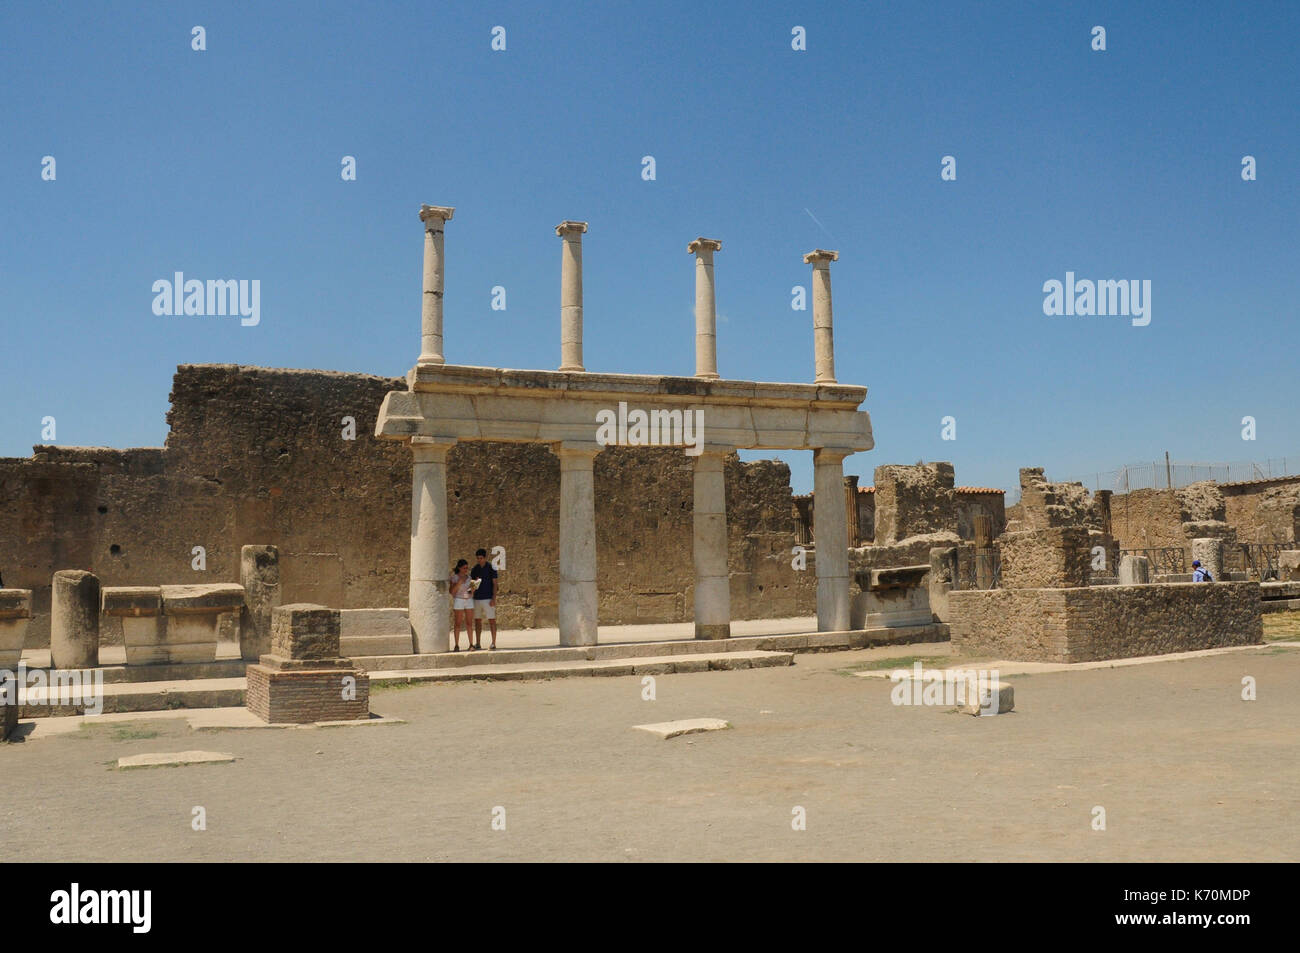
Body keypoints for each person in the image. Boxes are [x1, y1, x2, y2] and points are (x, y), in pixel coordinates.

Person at [470, 548, 499, 650]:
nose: (479, 560)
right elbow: (473, 586)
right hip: (477, 599)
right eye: (478, 558)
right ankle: (478, 643)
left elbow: (495, 584)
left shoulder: (492, 567)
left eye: (481, 558)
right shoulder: (474, 569)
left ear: (485, 558)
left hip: (488, 598)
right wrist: (474, 585)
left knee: (492, 620)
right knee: (477, 621)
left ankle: (493, 643)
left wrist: (493, 598)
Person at [449, 559, 475, 650]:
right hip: (458, 600)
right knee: (457, 623)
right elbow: (452, 592)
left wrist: (472, 590)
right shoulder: (454, 578)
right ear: (459, 568)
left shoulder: (469, 578)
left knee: (469, 623)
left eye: (467, 568)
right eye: (464, 568)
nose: (466, 570)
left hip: (468, 600)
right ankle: (456, 645)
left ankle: (471, 644)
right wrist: (459, 583)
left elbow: (471, 592)